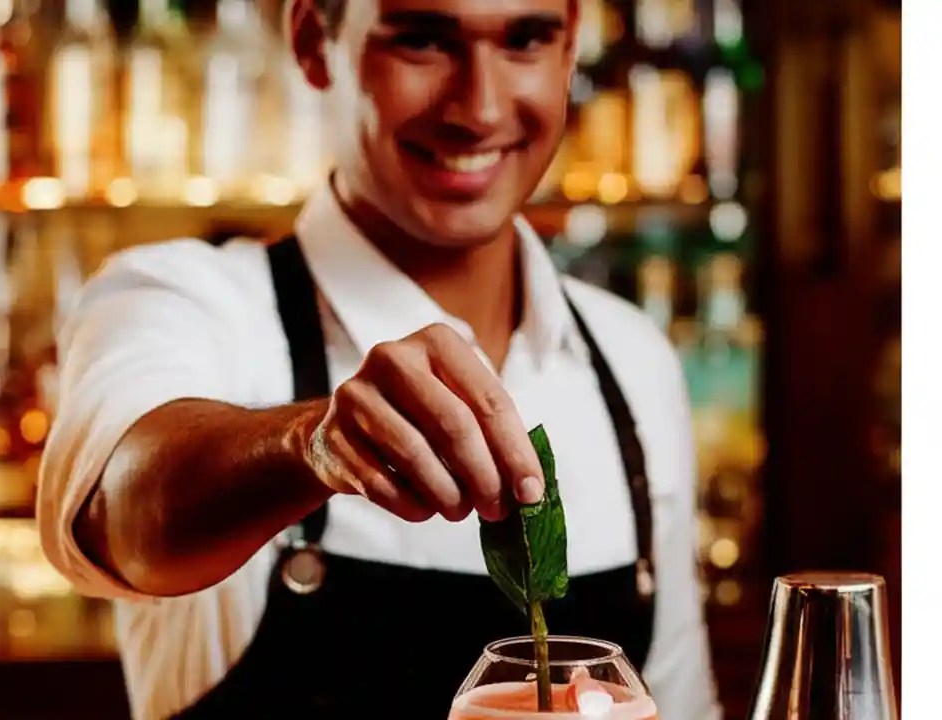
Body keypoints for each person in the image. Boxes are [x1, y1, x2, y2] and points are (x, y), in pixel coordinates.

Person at [37, 0, 721, 718]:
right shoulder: (181, 300)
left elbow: (677, 704)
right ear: (311, 41)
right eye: (423, 40)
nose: (480, 108)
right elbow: (127, 517)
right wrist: (312, 446)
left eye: (525, 39)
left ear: (570, 46)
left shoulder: (632, 357)